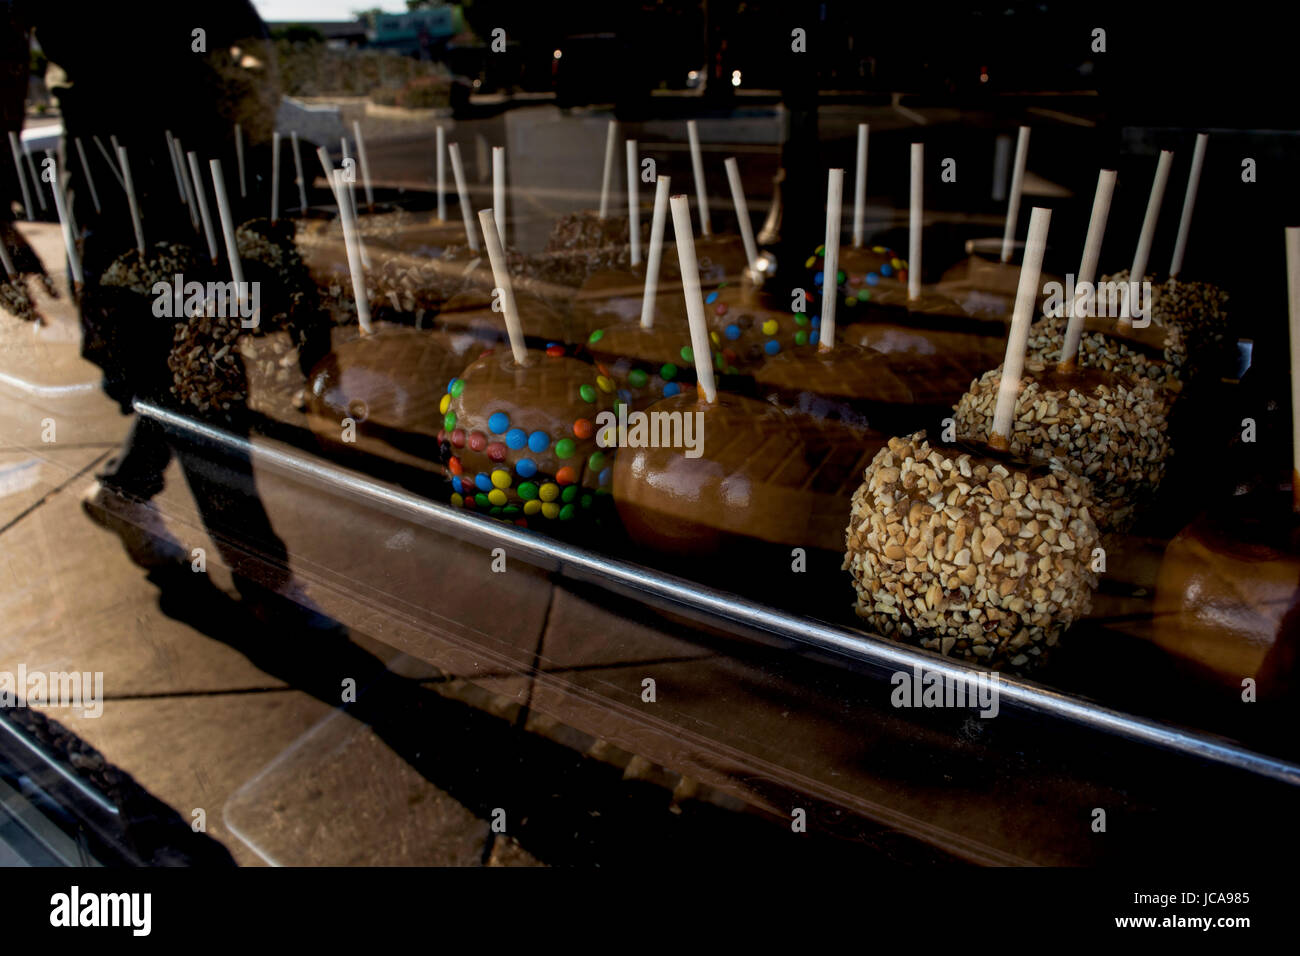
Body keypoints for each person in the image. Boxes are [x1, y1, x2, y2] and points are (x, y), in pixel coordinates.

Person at [3, 0, 336, 630]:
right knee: (200, 386)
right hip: (129, 194)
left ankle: (125, 494)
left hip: (198, 172)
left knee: (175, 381)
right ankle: (265, 580)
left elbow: (243, 47)